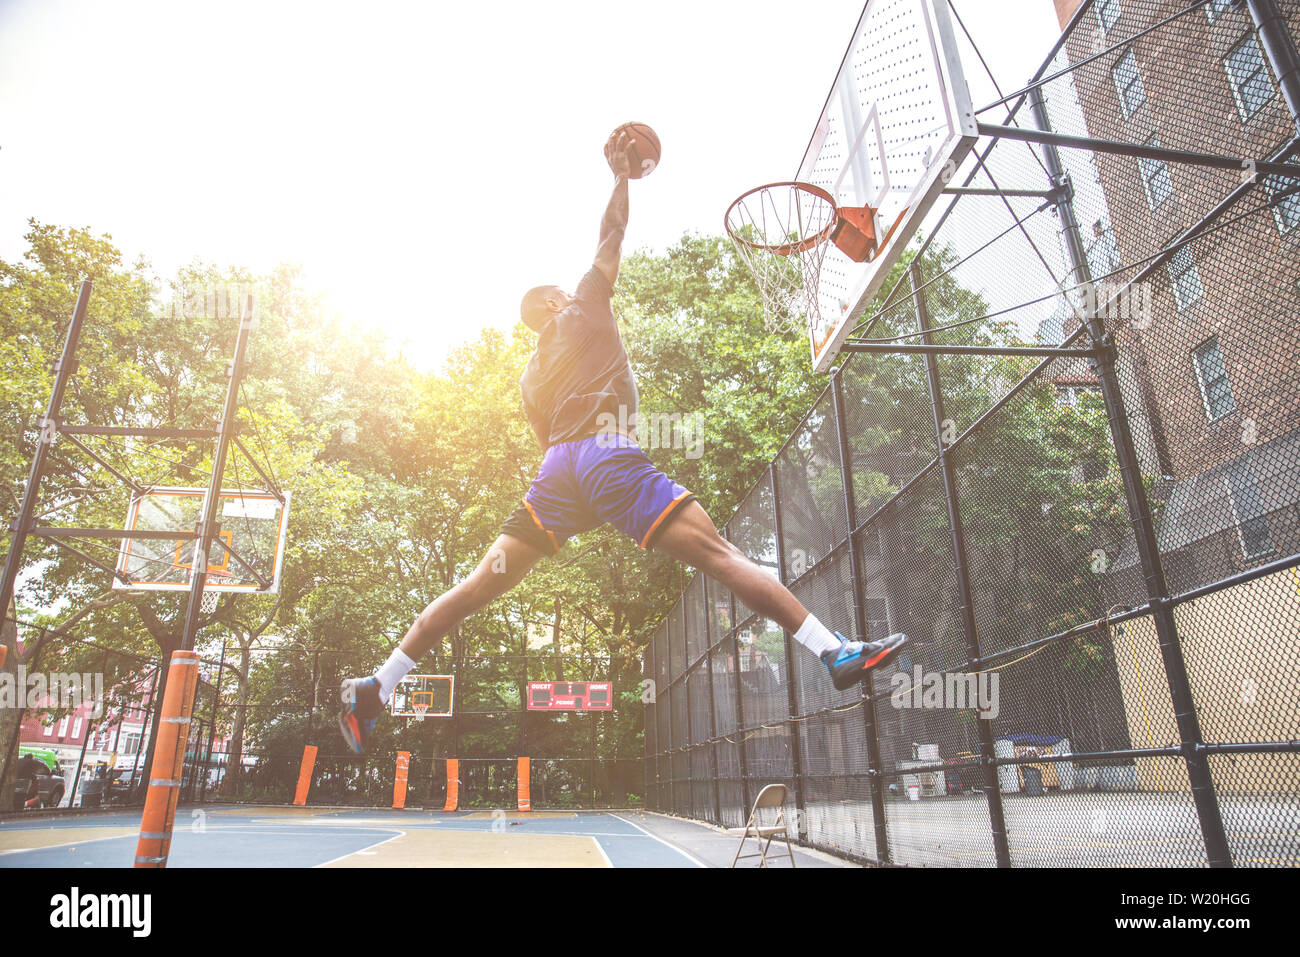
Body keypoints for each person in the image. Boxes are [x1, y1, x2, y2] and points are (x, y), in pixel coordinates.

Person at [339, 130, 907, 754]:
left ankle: (378, 684)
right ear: (554, 300)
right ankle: (834, 652)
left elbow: (545, 439)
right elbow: (611, 235)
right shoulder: (581, 304)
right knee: (720, 554)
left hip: (556, 474)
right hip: (606, 455)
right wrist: (621, 178)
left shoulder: (530, 375)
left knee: (478, 586)